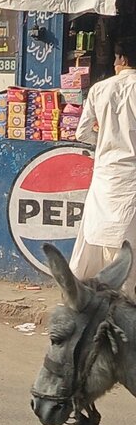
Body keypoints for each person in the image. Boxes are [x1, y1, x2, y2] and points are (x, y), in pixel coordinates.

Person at [71, 36, 136, 294]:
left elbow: (82, 133)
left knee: (99, 232)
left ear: (120, 60)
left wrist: (106, 139)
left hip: (107, 174)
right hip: (131, 177)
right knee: (128, 236)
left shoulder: (100, 89)